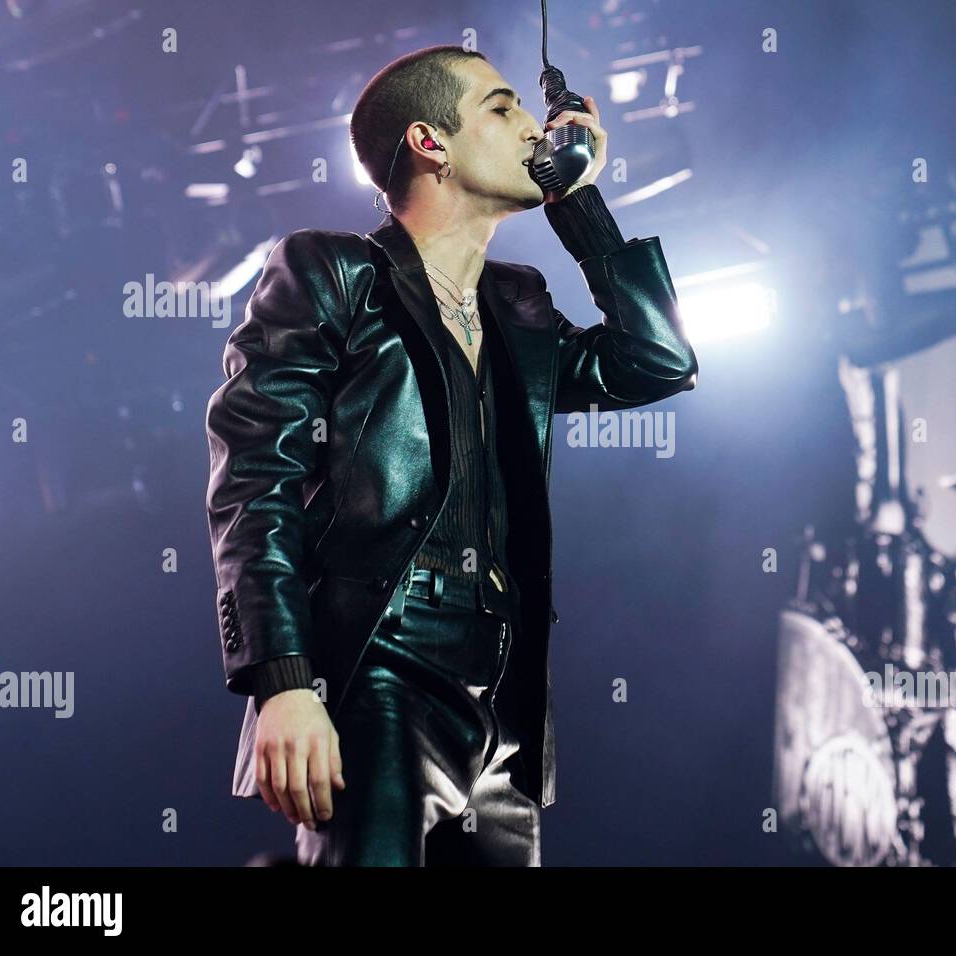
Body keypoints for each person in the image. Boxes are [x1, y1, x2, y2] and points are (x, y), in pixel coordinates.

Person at [204, 45, 697, 865]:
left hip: (503, 689)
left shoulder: (519, 303)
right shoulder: (334, 273)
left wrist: (578, 201)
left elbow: (657, 362)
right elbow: (256, 481)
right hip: (379, 664)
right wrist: (284, 679)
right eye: (504, 109)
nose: (535, 128)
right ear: (431, 142)